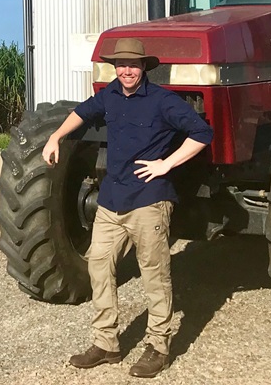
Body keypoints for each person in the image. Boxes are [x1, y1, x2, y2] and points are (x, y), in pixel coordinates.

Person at [42, 37, 212, 378]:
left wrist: (166, 164)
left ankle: (158, 346)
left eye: (132, 65)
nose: (126, 70)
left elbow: (202, 132)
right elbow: (81, 112)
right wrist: (55, 136)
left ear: (144, 67)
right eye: (121, 65)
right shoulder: (110, 95)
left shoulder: (164, 101)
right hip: (111, 202)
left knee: (155, 275)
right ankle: (106, 343)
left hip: (149, 203)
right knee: (99, 268)